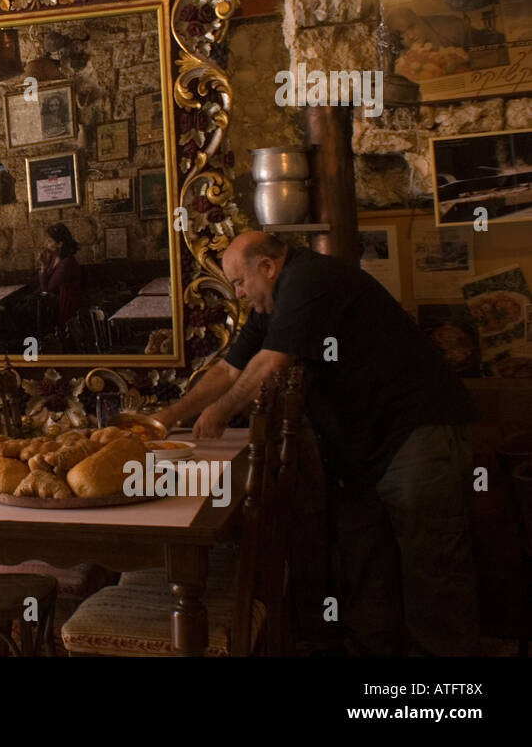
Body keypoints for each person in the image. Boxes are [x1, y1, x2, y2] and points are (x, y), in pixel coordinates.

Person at [151, 231, 480, 656]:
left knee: (433, 574)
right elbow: (231, 368)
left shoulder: (309, 279)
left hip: (417, 429)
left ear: (267, 267)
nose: (238, 293)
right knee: (366, 568)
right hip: (363, 448)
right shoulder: (272, 302)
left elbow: (271, 363)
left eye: (238, 282)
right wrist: (169, 417)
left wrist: (221, 412)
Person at [36, 222, 83, 349]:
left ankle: (34, 352)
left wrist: (43, 267)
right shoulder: (53, 257)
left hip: (62, 306)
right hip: (51, 303)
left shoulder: (67, 263)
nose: (46, 243)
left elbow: (47, 290)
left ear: (60, 244)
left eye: (50, 240)